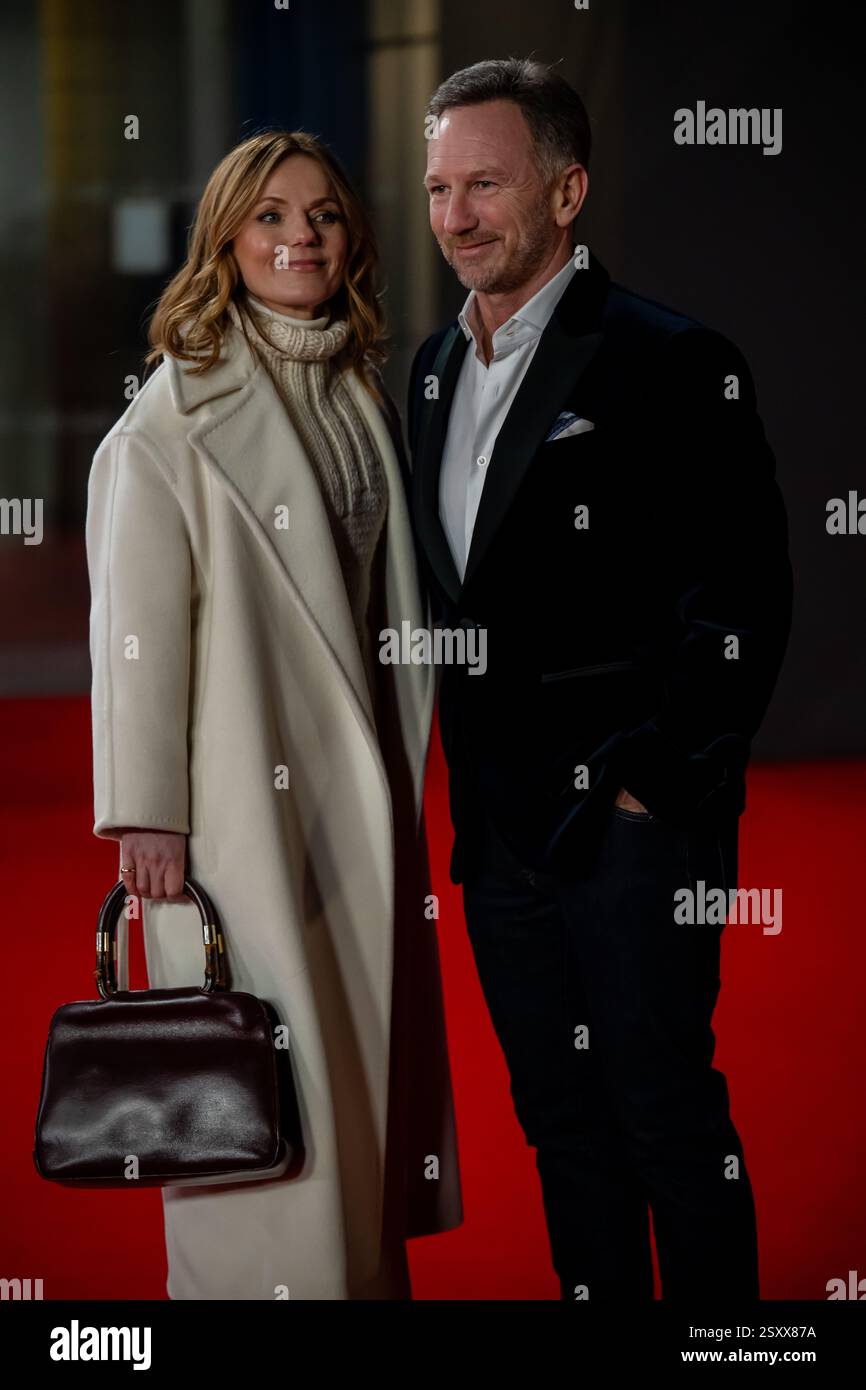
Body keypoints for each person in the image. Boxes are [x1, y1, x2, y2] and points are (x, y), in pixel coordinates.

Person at [407, 58, 792, 1300]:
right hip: (496, 835)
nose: (456, 215)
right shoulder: (423, 374)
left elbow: (740, 601)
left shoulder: (673, 360)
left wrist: (652, 795)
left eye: (485, 183)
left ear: (566, 190)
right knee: (562, 1130)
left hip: (633, 829)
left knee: (665, 1117)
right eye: (437, 188)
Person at [85, 128, 462, 1300]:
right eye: (270, 217)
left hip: (357, 806)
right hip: (242, 813)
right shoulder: (169, 421)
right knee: (263, 1104)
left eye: (324, 215)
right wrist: (146, 815)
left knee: (347, 1088)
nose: (301, 236)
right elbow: (134, 634)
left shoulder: (356, 387)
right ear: (226, 239)